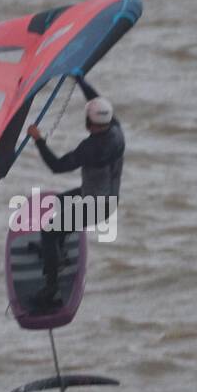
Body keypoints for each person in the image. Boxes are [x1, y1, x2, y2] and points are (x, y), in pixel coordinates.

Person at [24, 75, 123, 309]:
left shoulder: (91, 148)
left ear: (89, 123)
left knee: (48, 232)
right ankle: (57, 253)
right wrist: (80, 80)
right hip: (106, 196)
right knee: (59, 202)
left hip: (94, 206)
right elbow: (97, 101)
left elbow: (56, 167)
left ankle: (52, 289)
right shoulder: (117, 131)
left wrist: (38, 140)